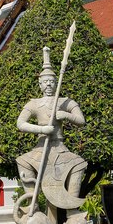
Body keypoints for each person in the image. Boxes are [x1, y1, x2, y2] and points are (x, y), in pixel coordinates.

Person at [16, 47, 87, 214]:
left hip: (59, 147)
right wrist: (42, 129)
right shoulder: (34, 103)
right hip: (41, 146)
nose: (49, 85)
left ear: (56, 83)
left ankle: (71, 210)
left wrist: (65, 115)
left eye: (52, 81)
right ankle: (32, 207)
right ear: (40, 83)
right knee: (23, 161)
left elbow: (81, 121)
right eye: (45, 81)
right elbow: (21, 123)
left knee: (78, 164)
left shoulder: (65, 102)